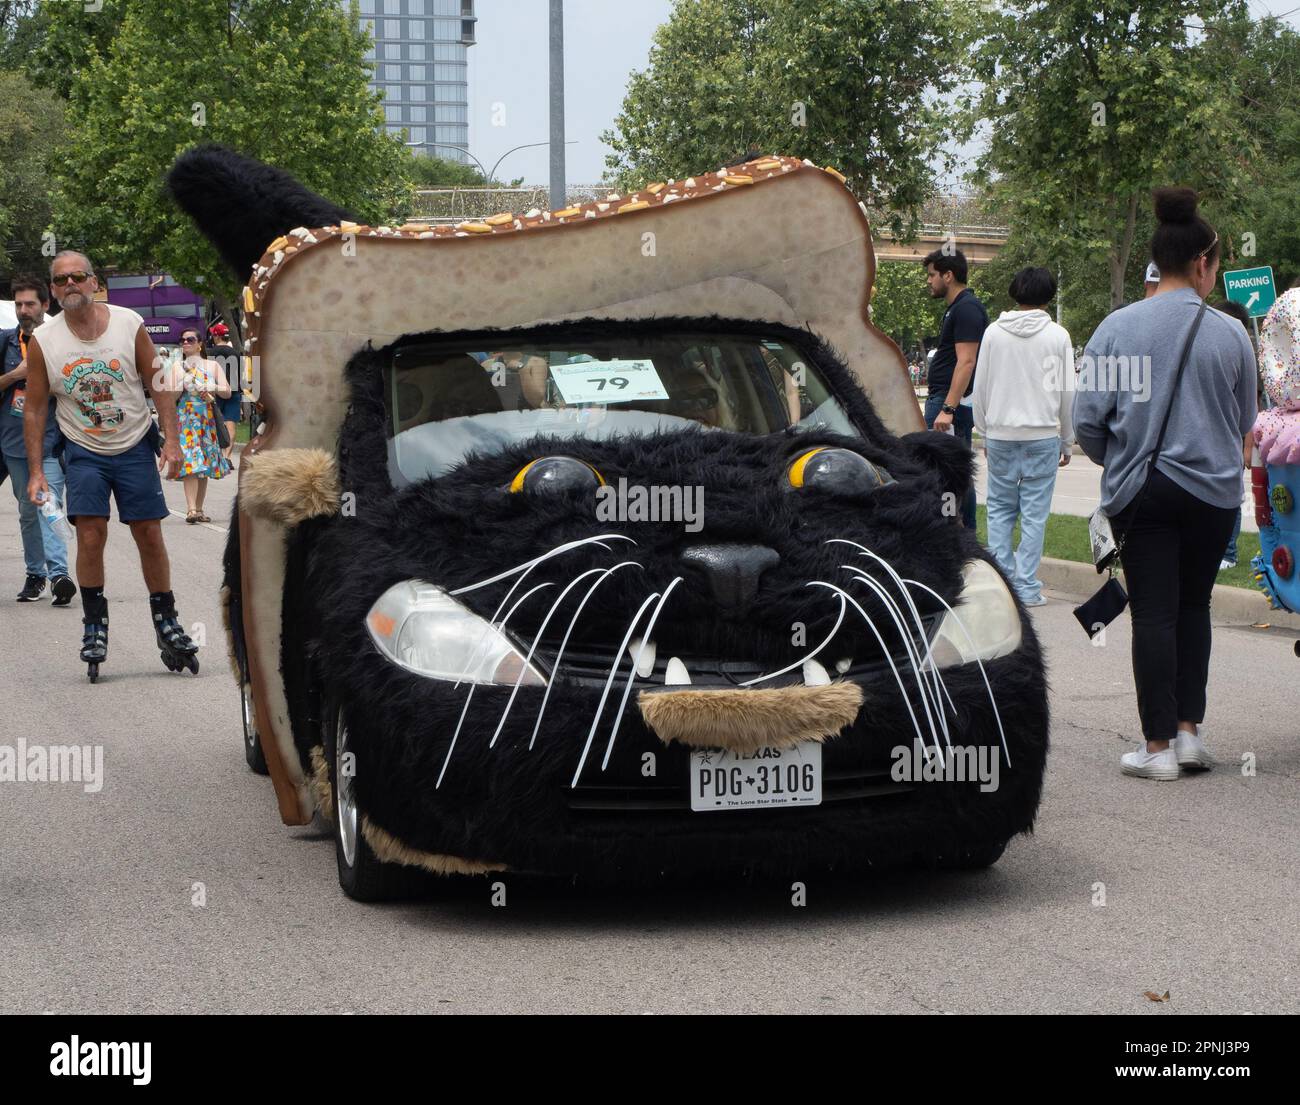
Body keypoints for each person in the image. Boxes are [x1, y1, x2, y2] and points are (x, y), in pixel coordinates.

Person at [1074, 188, 1256, 781]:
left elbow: (1087, 422)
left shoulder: (1117, 329)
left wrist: (1122, 460)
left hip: (1143, 492)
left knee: (1153, 612)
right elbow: (1245, 420)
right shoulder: (1231, 335)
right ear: (1203, 264)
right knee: (1192, 606)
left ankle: (1155, 750)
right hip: (1212, 494)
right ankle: (1188, 735)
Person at [23, 250, 200, 679]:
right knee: (90, 534)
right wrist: (35, 472)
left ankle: (166, 620)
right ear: (53, 290)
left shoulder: (128, 323)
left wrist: (172, 442)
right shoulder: (45, 340)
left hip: (135, 444)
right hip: (83, 449)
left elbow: (158, 382)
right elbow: (34, 409)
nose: (70, 285)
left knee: (149, 533)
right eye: (61, 280)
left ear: (93, 282)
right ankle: (95, 624)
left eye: (77, 277)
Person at [972, 266, 1075, 607]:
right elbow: (1066, 391)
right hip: (1042, 434)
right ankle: (1027, 587)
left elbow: (981, 386)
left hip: (1001, 433)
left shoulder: (993, 333)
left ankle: (1003, 587)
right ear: (1049, 296)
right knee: (1034, 514)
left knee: (1000, 510)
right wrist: (1067, 438)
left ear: (1015, 292)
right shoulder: (1058, 336)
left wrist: (984, 431)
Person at [1, 275, 74, 605]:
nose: (23, 309)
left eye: (30, 303)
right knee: (28, 511)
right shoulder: (5, 342)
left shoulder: (63, 342)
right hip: (14, 444)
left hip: (50, 442)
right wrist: (18, 375)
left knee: (49, 505)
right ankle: (35, 574)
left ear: (46, 305)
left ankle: (59, 574)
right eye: (18, 304)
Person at [923, 248, 986, 529]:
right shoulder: (957, 309)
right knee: (947, 474)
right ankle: (954, 534)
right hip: (944, 403)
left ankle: (961, 535)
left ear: (948, 276)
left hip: (950, 407)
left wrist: (948, 408)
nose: (929, 281)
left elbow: (967, 361)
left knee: (952, 475)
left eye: (932, 275)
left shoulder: (967, 308)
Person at [168, 326, 232, 522]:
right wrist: (181, 384)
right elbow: (170, 397)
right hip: (186, 419)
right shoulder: (177, 367)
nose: (185, 343)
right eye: (183, 340)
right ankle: (191, 509)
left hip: (207, 418)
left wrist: (210, 386)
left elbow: (227, 392)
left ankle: (200, 509)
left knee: (203, 464)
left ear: (200, 344)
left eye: (190, 340)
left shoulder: (212, 366)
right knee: (191, 462)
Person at [1211, 299, 1255, 570]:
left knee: (1231, 498)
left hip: (1233, 442)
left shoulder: (1245, 354)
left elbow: (1252, 407)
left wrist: (1247, 448)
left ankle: (1229, 553)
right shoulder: (1214, 351)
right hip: (1212, 441)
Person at [206, 321, 241, 463]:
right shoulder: (236, 353)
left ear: (216, 337)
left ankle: (217, 456)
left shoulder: (209, 353)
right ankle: (227, 457)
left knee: (214, 423)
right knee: (230, 423)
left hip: (214, 392)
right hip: (233, 392)